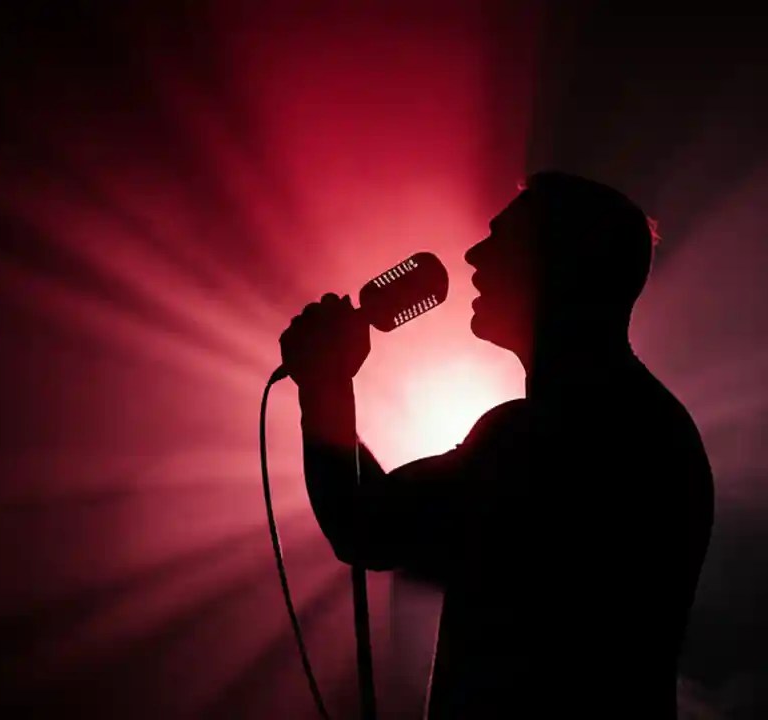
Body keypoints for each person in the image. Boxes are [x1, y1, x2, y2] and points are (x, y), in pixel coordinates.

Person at [278, 171, 714, 718]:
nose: (474, 256)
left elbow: (367, 526)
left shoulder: (536, 437)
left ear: (553, 266)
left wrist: (324, 387)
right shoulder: (659, 429)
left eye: (501, 241)